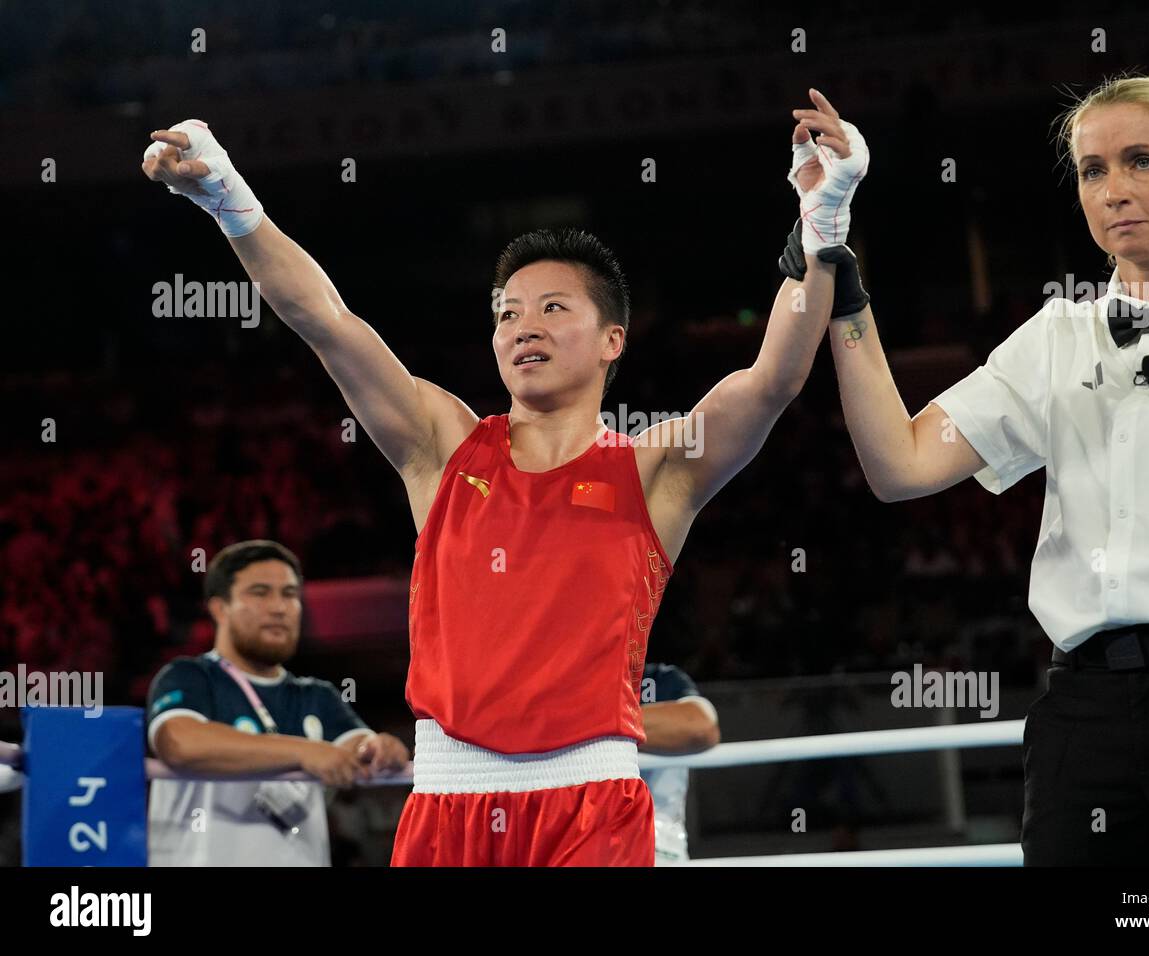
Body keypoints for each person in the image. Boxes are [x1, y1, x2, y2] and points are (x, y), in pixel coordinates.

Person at [140, 91, 869, 865]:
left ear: (612, 339)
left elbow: (772, 382)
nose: (524, 325)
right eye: (507, 313)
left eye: (553, 307)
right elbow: (327, 321)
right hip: (447, 802)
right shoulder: (442, 447)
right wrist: (227, 196)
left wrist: (824, 222)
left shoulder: (656, 468)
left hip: (592, 806)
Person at [803, 72, 1149, 865]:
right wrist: (834, 258)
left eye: (1141, 160)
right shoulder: (1054, 336)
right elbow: (899, 463)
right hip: (1086, 713)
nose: (1113, 189)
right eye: (1092, 170)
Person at [147, 540, 409, 866]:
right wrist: (303, 751)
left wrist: (382, 750)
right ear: (219, 608)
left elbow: (360, 748)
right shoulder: (189, 677)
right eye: (260, 592)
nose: (279, 607)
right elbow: (179, 743)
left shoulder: (317, 696)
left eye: (289, 594)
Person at [638, 662, 720, 865]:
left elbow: (699, 727)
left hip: (659, 849)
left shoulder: (659, 680)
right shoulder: (563, 679)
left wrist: (587, 724)